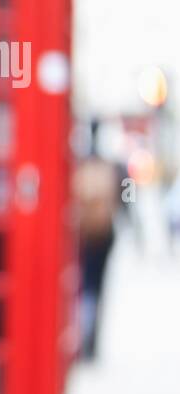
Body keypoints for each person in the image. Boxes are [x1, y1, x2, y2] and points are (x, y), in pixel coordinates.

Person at [73, 120, 120, 361]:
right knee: (96, 290)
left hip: (82, 235)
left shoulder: (77, 163)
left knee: (82, 288)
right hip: (104, 235)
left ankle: (80, 340)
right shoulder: (111, 165)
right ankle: (91, 345)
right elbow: (125, 199)